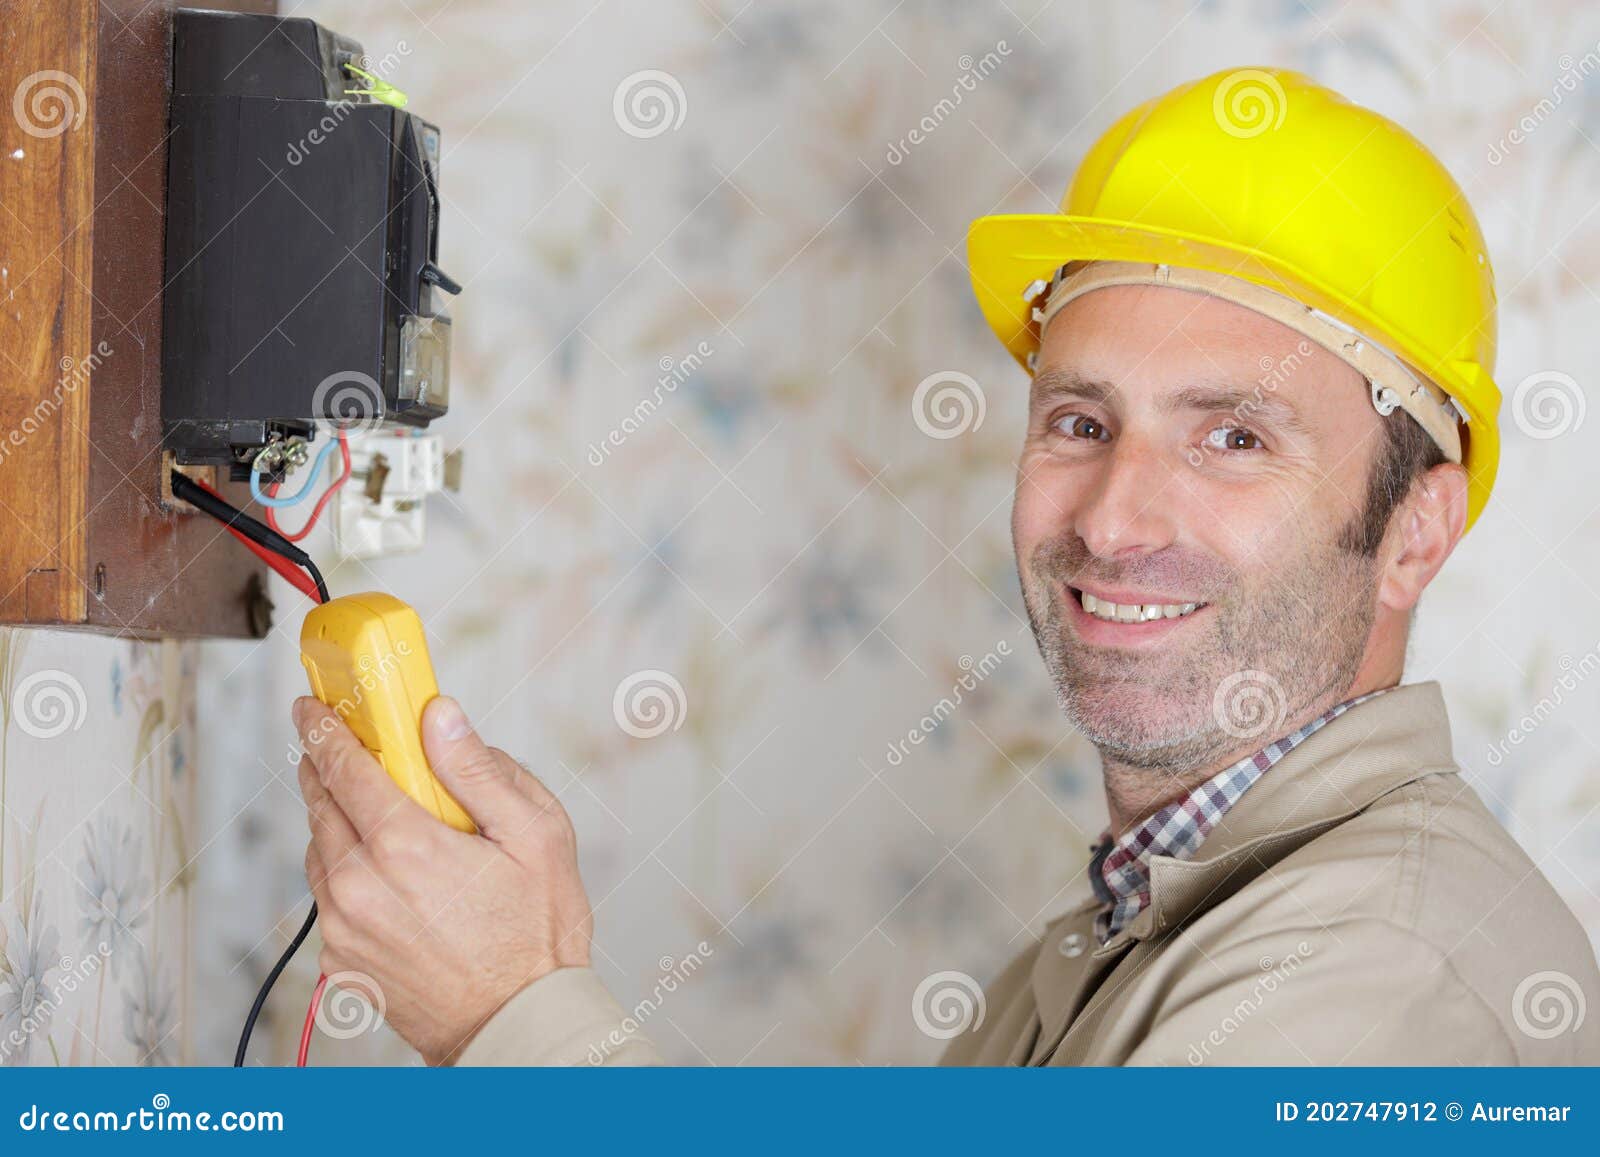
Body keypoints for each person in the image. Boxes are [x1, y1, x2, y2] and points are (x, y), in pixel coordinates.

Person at [291, 67, 1600, 1066]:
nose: (1114, 519)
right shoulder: (1123, 935)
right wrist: (531, 971)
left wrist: (512, 1012)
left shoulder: (1371, 979)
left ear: (1416, 530)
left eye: (1235, 436)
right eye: (1082, 423)